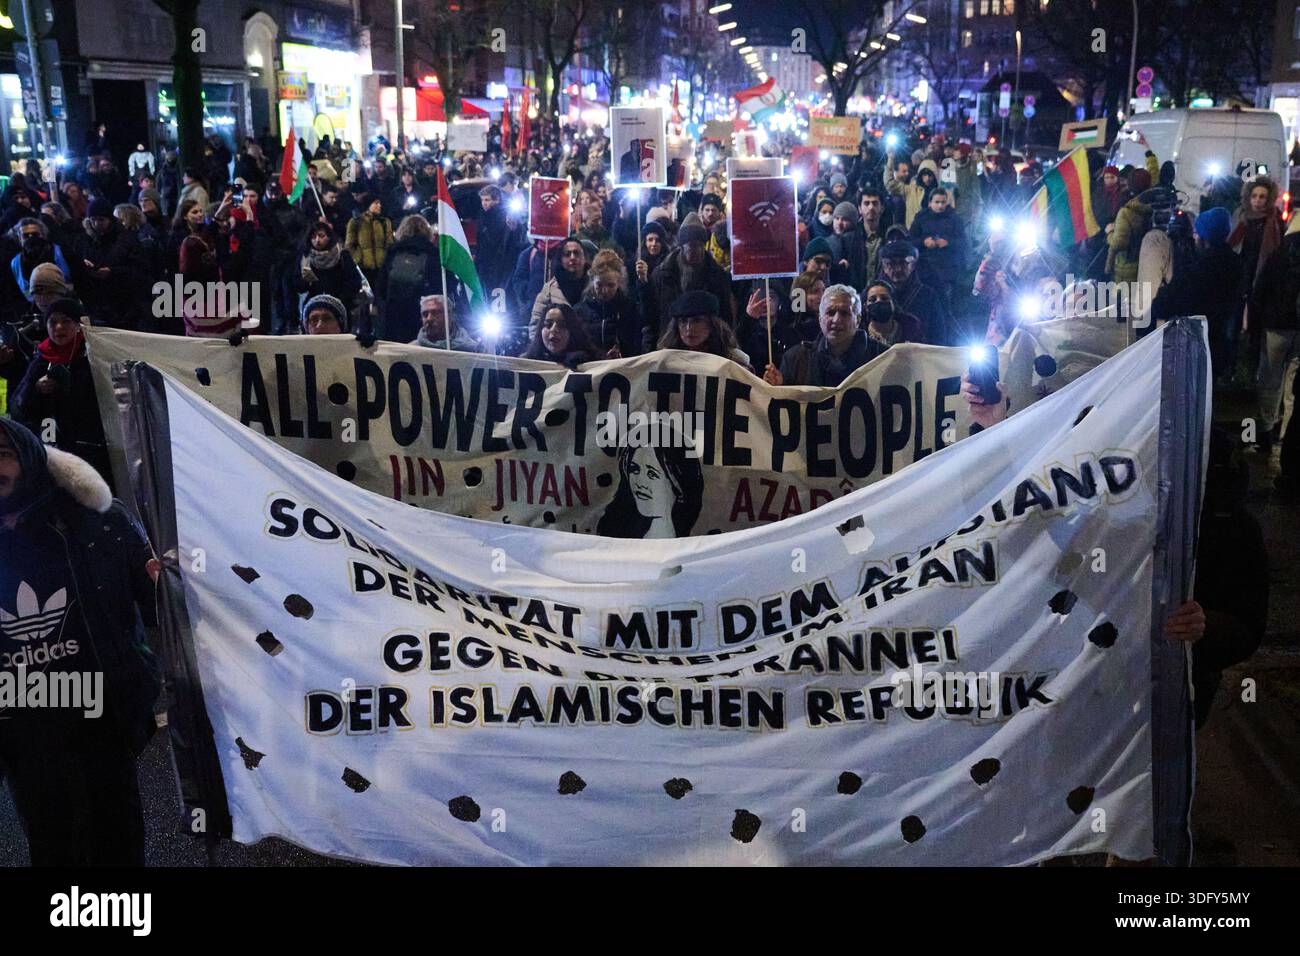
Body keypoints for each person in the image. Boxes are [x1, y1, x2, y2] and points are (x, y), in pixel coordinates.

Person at [0, 414, 161, 867]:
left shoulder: (92, 517)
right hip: (22, 723)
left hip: (101, 712)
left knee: (117, 839)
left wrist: (166, 583)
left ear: (29, 458)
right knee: (52, 845)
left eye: (4, 454)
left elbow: (156, 604)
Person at [11, 298, 110, 481]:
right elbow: (18, 409)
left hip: (93, 451)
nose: (58, 328)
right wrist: (37, 390)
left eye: (65, 321)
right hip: (52, 449)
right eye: (52, 322)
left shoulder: (93, 356)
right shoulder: (41, 359)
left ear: (78, 325)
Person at [1149, 207, 1242, 376]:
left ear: (1204, 238)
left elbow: (1164, 304)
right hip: (1220, 345)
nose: (1194, 236)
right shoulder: (1235, 264)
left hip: (1193, 347)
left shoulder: (1198, 269)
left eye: (1197, 233)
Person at [1249, 213, 1300, 457]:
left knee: (1271, 379)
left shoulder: (1278, 256)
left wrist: (1255, 325)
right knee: (1293, 383)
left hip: (1276, 327)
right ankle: (1287, 433)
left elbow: (1260, 291)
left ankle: (1266, 431)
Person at [764, 284, 880, 387]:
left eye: (844, 313)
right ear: (820, 318)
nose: (836, 320)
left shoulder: (882, 357)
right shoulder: (795, 360)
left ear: (858, 320)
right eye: (830, 313)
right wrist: (778, 387)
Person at [647, 223, 735, 340]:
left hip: (707, 344)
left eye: (700, 245)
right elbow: (652, 314)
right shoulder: (662, 274)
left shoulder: (717, 275)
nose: (697, 250)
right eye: (692, 246)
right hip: (670, 342)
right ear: (682, 247)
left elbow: (725, 315)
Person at [878, 239, 951, 346]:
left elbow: (938, 334)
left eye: (903, 263)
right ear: (884, 267)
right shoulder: (875, 295)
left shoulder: (927, 296)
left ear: (912, 265)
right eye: (891, 264)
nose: (898, 269)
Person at [657, 290, 750, 369]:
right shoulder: (663, 360)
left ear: (712, 324)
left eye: (697, 321)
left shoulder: (734, 360)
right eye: (683, 321)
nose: (689, 328)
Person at [297, 220, 363, 331]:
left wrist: (341, 299)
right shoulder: (305, 257)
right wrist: (305, 281)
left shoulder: (342, 255)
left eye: (321, 236)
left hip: (340, 308)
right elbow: (297, 285)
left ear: (329, 236)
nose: (317, 240)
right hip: (313, 308)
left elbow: (354, 281)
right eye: (313, 237)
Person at [909, 187, 967, 301]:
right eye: (937, 202)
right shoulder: (921, 218)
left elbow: (963, 242)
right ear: (930, 203)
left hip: (947, 268)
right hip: (925, 267)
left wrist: (948, 243)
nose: (940, 206)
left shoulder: (954, 219)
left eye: (943, 202)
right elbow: (911, 240)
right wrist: (923, 242)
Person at [577, 264, 645, 358]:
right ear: (593, 283)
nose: (605, 291)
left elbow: (636, 342)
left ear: (619, 283)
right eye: (599, 285)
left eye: (611, 285)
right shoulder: (580, 311)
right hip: (591, 367)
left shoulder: (629, 309)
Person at [530, 237, 590, 340]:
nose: (572, 257)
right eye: (567, 254)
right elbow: (535, 325)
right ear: (561, 260)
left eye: (577, 253)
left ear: (584, 258)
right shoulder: (549, 289)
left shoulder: (596, 287)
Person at [524, 303, 599, 367]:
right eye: (548, 324)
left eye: (561, 325)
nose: (553, 329)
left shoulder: (590, 364)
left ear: (573, 331)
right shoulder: (527, 363)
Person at [345, 196, 393, 289]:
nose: (379, 205)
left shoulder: (385, 222)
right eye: (375, 203)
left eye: (379, 203)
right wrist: (358, 258)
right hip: (364, 267)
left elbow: (389, 243)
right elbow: (349, 244)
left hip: (381, 267)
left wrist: (386, 259)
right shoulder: (356, 222)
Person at [861, 279, 924, 347]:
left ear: (893, 304)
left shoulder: (912, 330)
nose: (878, 301)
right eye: (872, 300)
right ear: (866, 307)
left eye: (884, 298)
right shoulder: (860, 335)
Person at [412, 294, 479, 352]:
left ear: (451, 316)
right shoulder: (411, 350)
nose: (429, 319)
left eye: (435, 313)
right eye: (425, 314)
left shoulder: (476, 351)